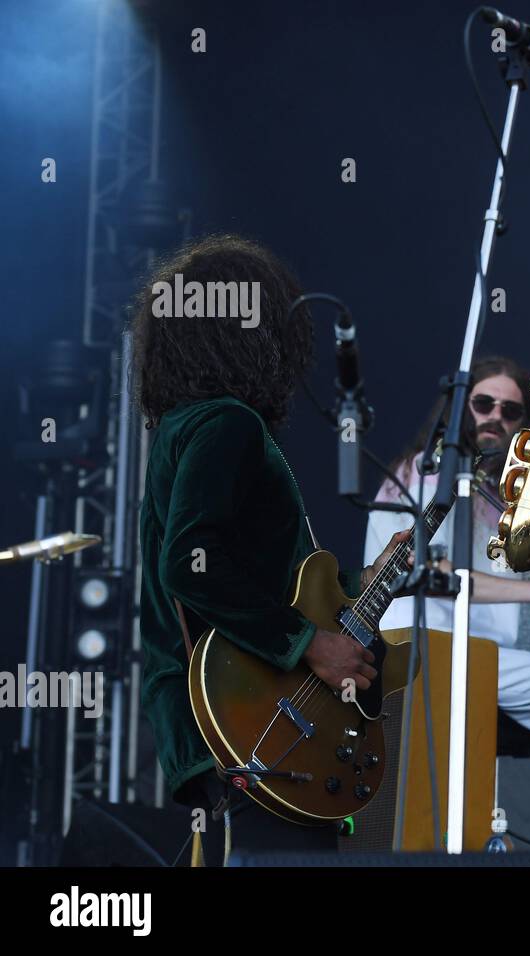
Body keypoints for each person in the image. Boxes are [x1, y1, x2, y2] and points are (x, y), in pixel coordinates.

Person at [132, 235, 409, 865]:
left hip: (229, 718)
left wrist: (367, 582)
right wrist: (309, 643)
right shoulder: (227, 423)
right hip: (257, 716)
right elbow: (190, 563)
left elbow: (249, 574)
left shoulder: (187, 427)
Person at [364, 355, 530, 850]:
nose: (496, 418)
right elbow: (438, 575)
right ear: (462, 407)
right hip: (421, 655)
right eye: (484, 403)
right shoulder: (424, 477)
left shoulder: (501, 498)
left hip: (484, 660)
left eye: (511, 411)